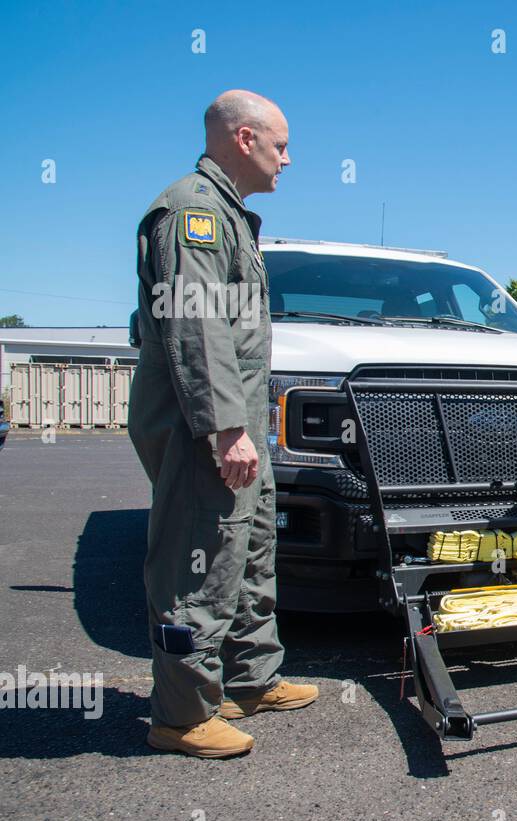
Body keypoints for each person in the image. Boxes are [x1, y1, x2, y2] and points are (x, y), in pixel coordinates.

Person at [129, 90, 316, 758]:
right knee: (195, 561)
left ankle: (250, 676)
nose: (287, 160)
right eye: (282, 144)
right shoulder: (195, 212)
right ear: (245, 138)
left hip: (234, 421)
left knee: (249, 548)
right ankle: (181, 713)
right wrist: (225, 428)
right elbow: (197, 329)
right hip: (201, 426)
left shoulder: (232, 216)